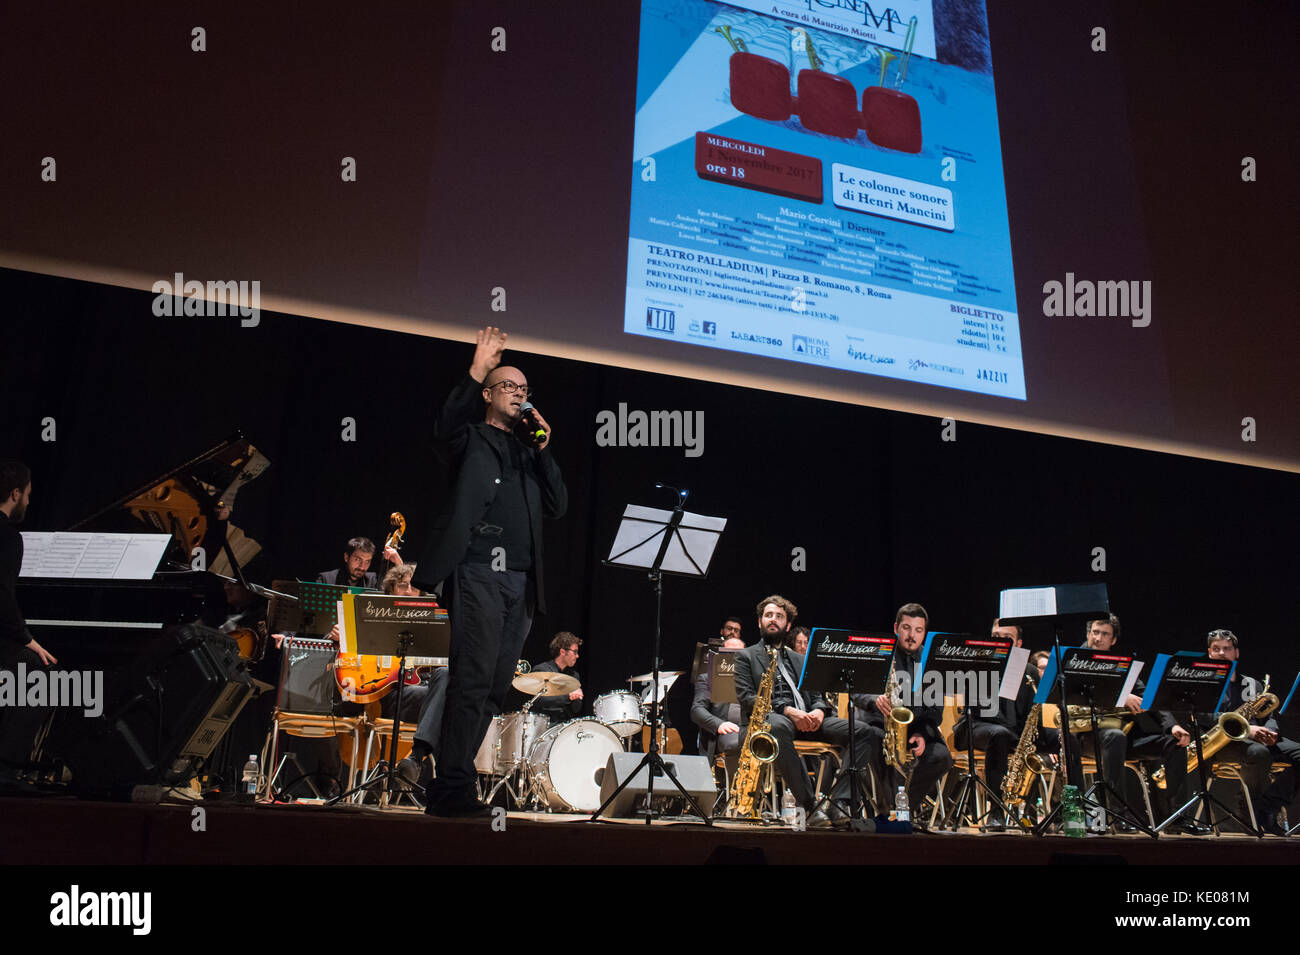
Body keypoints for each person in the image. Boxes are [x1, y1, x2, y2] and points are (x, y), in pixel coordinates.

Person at [412, 327, 567, 817]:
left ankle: (451, 785)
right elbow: (441, 428)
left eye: (524, 389)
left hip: (520, 583)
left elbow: (559, 505)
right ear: (487, 394)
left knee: (495, 686)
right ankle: (450, 787)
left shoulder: (527, 452)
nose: (519, 393)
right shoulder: (469, 439)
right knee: (472, 678)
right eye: (508, 386)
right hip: (477, 570)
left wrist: (544, 449)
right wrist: (478, 364)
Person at [733, 595, 878, 826]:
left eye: (779, 616)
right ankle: (809, 806)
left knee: (863, 731)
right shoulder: (745, 656)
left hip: (809, 719)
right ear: (759, 622)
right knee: (777, 726)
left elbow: (818, 696)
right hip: (772, 720)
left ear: (787, 625)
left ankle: (838, 802)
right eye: (768, 615)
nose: (773, 620)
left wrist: (819, 711)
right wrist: (789, 711)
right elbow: (747, 698)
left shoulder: (800, 658)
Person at [1163, 629, 1287, 833]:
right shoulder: (1202, 682)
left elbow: (1270, 716)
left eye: (1226, 649)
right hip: (1219, 744)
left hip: (1257, 738)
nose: (1221, 653)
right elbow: (1203, 715)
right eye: (1216, 649)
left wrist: (1269, 731)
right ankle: (1247, 807)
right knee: (1258, 753)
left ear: (1236, 653)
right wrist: (1249, 731)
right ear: (1209, 653)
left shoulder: (1251, 683)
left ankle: (1268, 807)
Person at [856, 602, 952, 819]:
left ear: (925, 633)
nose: (912, 635)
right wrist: (874, 700)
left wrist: (922, 734)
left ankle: (904, 807)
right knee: (875, 742)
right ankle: (885, 808)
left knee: (942, 756)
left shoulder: (931, 662)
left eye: (918, 630)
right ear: (896, 628)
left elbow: (936, 711)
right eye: (906, 628)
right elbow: (856, 693)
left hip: (915, 729)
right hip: (880, 725)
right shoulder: (880, 653)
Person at [0, 461, 55, 789]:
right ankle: (6, 770)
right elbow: (1, 596)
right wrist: (27, 638)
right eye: (28, 495)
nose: (30, 502)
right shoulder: (6, 536)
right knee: (38, 672)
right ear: (15, 493)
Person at [691, 635, 746, 779]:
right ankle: (737, 792)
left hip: (749, 729)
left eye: (738, 654)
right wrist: (720, 724)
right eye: (729, 653)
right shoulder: (707, 678)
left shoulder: (752, 679)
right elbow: (697, 710)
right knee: (735, 743)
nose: (733, 657)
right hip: (725, 733)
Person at [529, 632, 583, 722]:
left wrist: (577, 698)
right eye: (575, 652)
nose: (577, 656)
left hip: (564, 724)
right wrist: (568, 696)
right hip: (543, 722)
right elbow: (538, 699)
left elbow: (575, 710)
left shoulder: (574, 675)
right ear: (562, 651)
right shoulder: (542, 670)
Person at [316, 536, 398, 589]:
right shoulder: (325, 580)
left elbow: (400, 587)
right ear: (346, 557)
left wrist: (398, 562)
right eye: (358, 559)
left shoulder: (374, 581)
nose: (362, 567)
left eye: (367, 561)